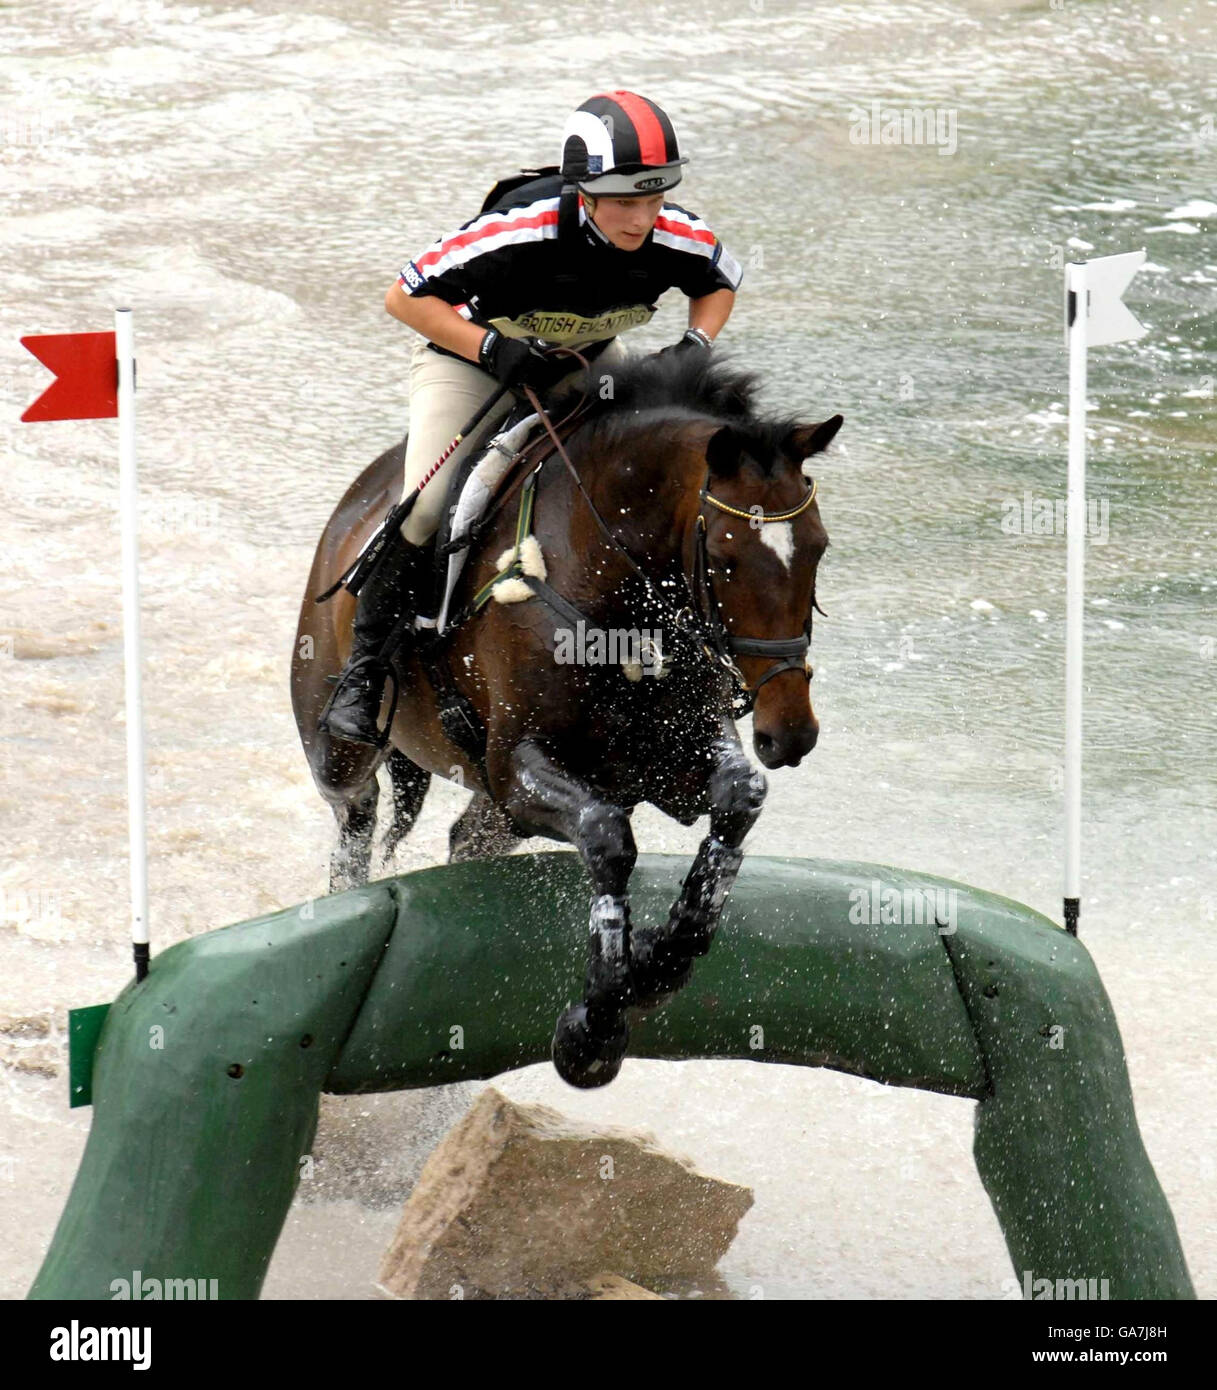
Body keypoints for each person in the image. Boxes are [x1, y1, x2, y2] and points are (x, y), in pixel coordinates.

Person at [318, 90, 744, 746]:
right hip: (471, 363)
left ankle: (678, 654)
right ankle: (365, 672)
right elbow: (402, 297)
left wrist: (695, 343)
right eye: (624, 202)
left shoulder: (674, 232)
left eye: (655, 199)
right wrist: (494, 349)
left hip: (586, 363)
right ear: (584, 192)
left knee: (649, 479)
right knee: (427, 506)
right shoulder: (520, 229)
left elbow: (718, 281)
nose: (642, 220)